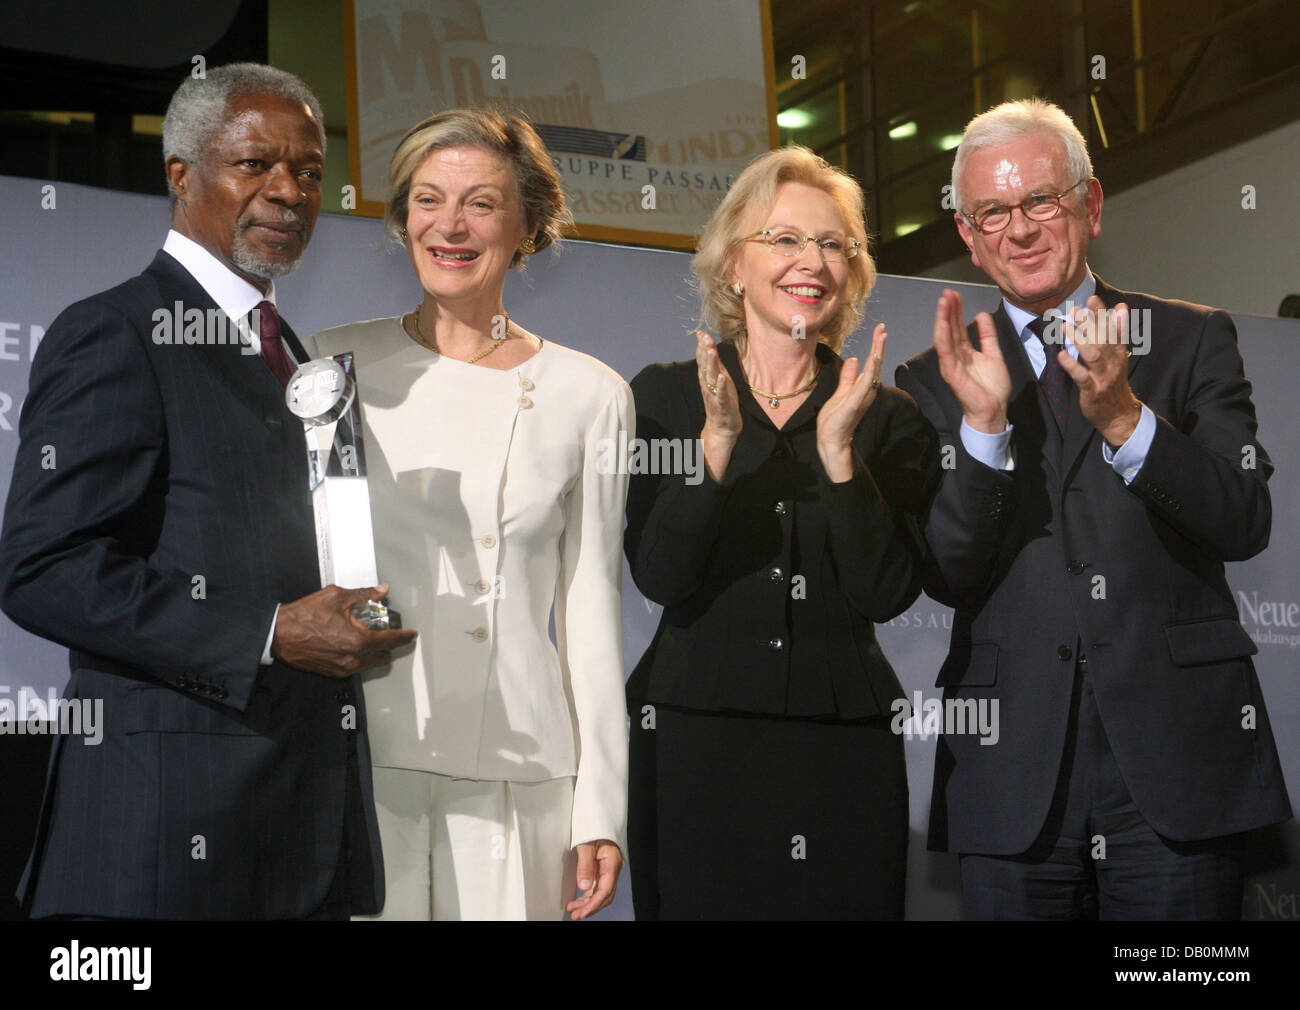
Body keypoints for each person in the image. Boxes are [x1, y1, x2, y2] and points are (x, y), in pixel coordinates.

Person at [0, 63, 415, 920]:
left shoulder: (295, 358)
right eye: (255, 163)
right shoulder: (113, 332)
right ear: (180, 174)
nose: (288, 190)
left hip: (300, 828)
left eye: (305, 170)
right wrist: (268, 632)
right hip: (162, 837)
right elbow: (42, 566)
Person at [895, 97, 1291, 920]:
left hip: (1179, 764)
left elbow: (1244, 518)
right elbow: (947, 571)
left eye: (1041, 199)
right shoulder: (937, 379)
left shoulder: (1189, 339)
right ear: (967, 235)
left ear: (1091, 204)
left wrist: (1124, 417)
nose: (1021, 229)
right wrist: (983, 429)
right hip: (1011, 770)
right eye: (992, 212)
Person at [305, 108, 631, 921]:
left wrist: (601, 809)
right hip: (362, 754)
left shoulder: (590, 393)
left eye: (481, 204)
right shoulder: (328, 365)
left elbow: (589, 613)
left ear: (526, 226)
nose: (449, 225)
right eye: (427, 199)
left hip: (518, 772)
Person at [624, 146, 941, 920]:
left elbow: (888, 592)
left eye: (834, 244)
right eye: (787, 239)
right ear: (734, 263)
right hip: (693, 740)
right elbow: (659, 577)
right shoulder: (664, 396)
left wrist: (840, 459)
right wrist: (717, 451)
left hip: (843, 751)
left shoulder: (886, 414)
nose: (813, 261)